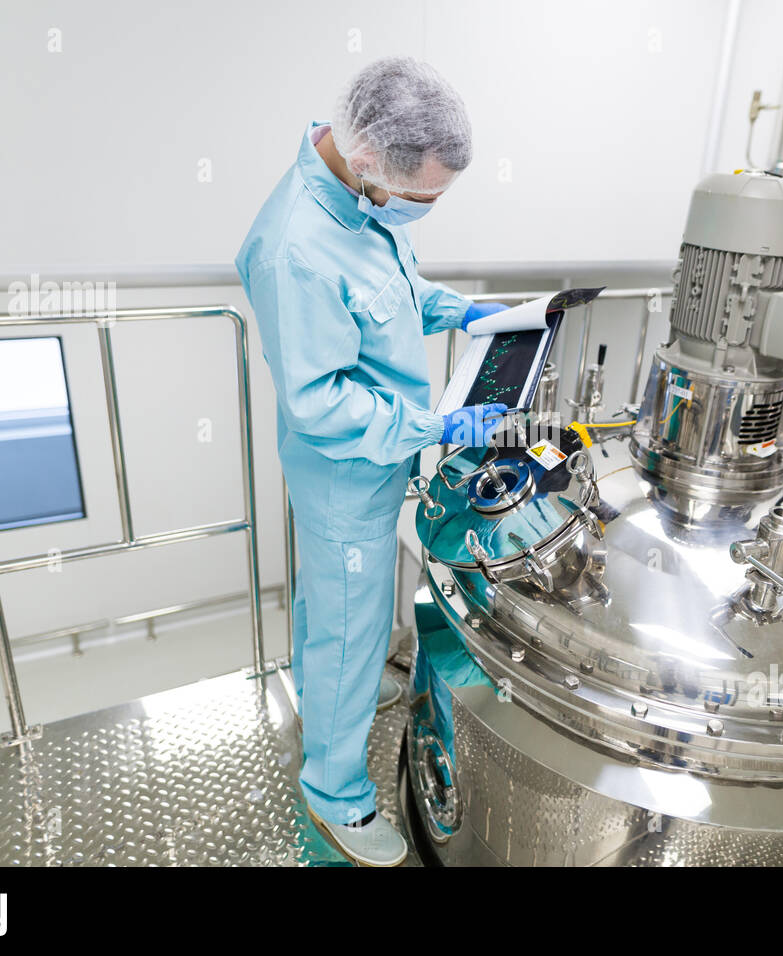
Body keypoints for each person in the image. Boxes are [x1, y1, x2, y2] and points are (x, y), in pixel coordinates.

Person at [236, 57, 509, 867]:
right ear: (367, 163)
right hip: (344, 474)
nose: (421, 212)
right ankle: (336, 796)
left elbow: (395, 294)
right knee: (355, 629)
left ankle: (328, 694)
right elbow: (320, 405)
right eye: (421, 198)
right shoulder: (298, 249)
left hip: (369, 461)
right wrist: (437, 427)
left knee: (334, 610)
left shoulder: (358, 205)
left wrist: (466, 310)